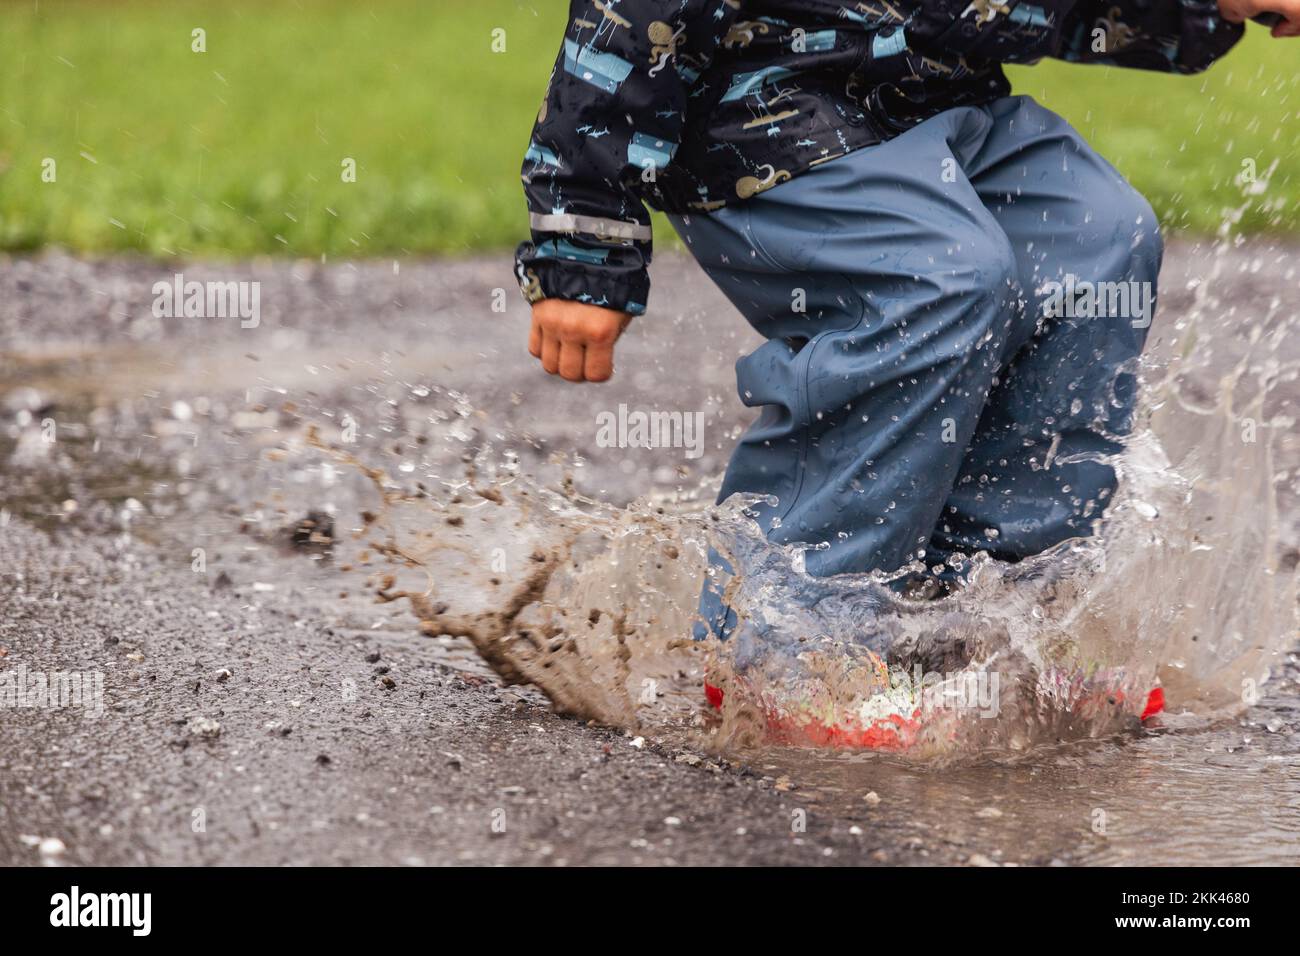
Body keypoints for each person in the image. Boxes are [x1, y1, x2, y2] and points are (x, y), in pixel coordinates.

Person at [514, 0, 1295, 616]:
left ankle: (993, 609)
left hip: (936, 106)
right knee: (943, 278)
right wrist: (585, 237)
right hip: (759, 113)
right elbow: (630, 13)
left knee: (1099, 236)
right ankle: (794, 624)